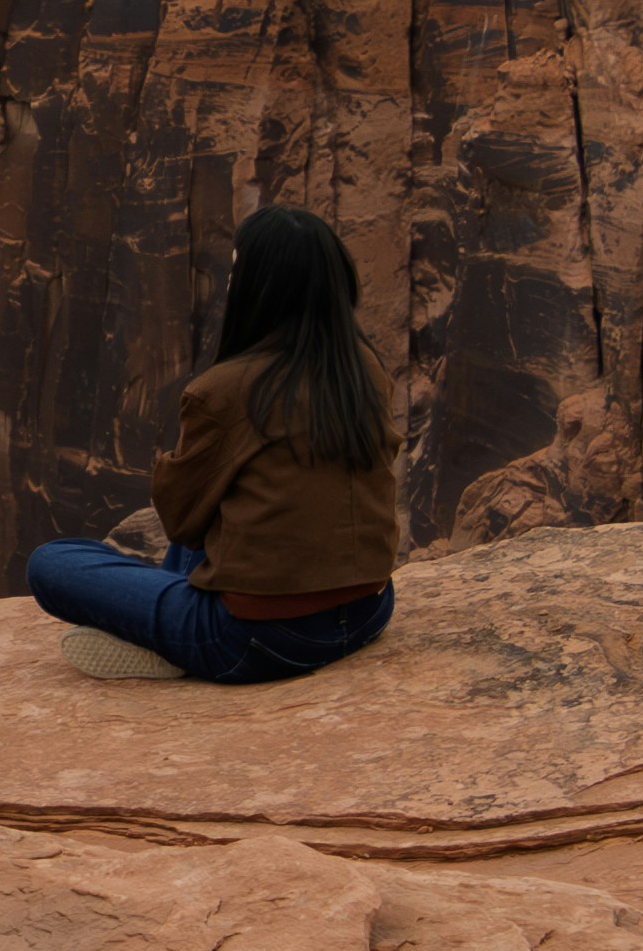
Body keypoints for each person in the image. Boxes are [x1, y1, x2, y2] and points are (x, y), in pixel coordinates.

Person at [27, 206, 403, 686]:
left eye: (236, 268)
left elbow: (181, 521)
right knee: (218, 523)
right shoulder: (363, 370)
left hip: (253, 642)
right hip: (368, 611)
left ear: (258, 288)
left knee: (52, 562)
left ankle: (167, 641)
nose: (229, 282)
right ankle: (165, 622)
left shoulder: (226, 390)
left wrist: (182, 455)